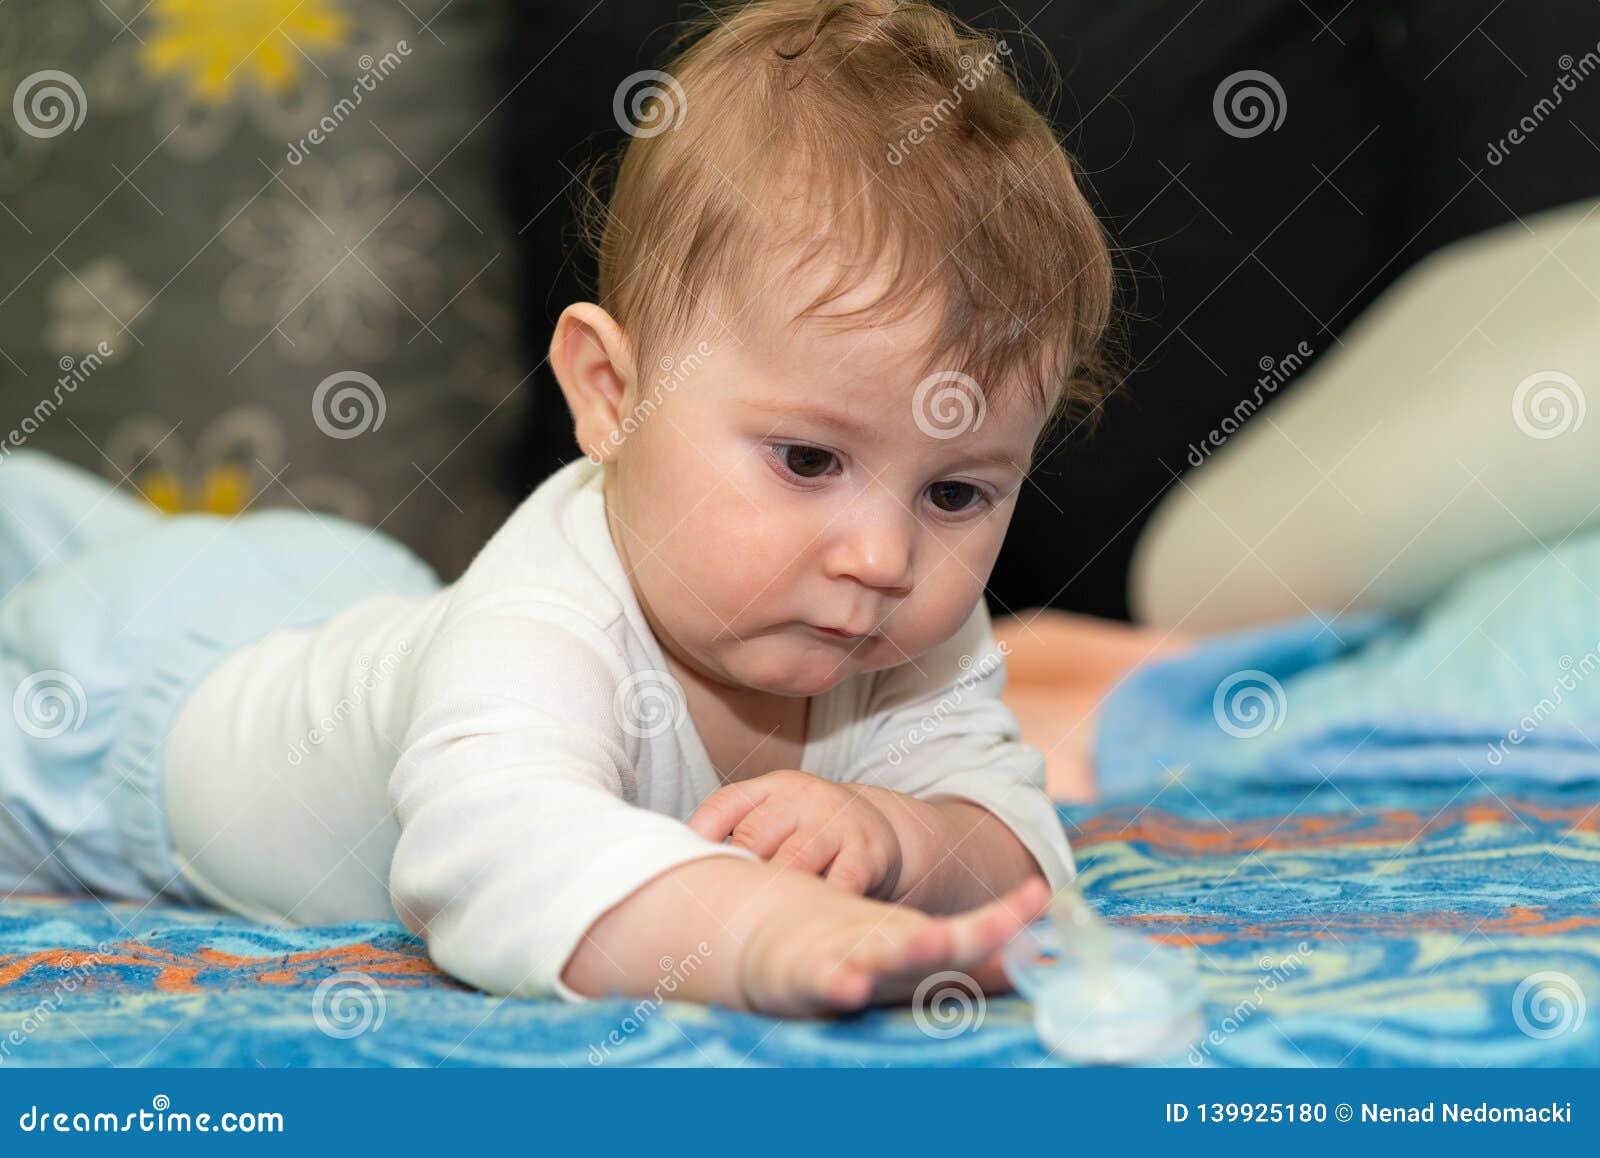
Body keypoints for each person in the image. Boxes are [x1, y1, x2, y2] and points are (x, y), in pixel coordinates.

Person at [0, 0, 1114, 1015]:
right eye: (809, 460)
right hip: (136, 707)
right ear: (612, 396)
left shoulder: (900, 631)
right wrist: (762, 932)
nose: (882, 554)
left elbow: (1020, 849)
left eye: (955, 491)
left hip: (357, 604)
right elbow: (496, 854)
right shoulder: (542, 625)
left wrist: (905, 837)